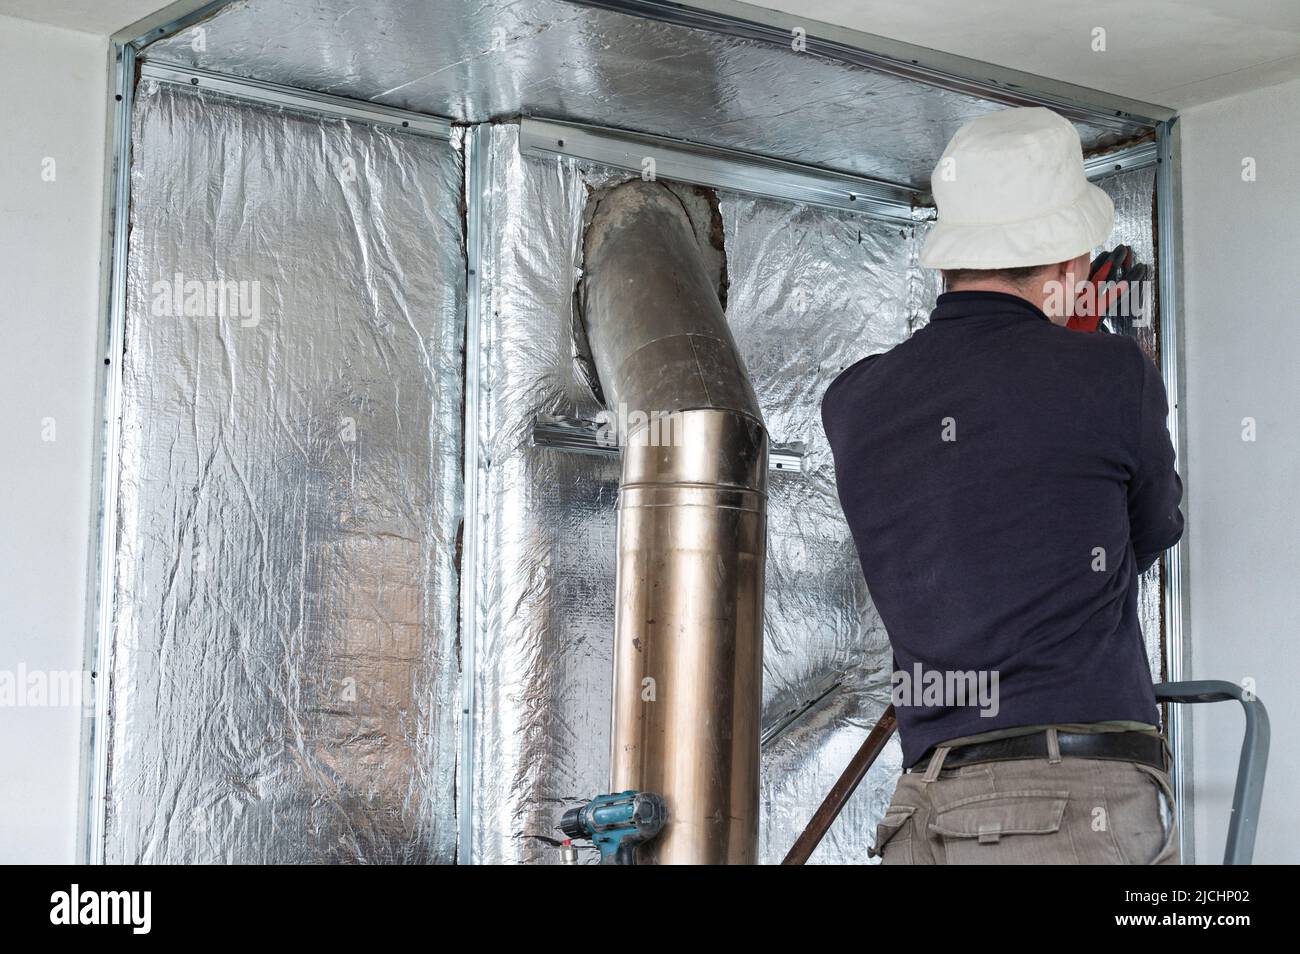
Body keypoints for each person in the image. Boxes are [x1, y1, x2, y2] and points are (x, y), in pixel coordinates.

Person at [821, 107, 1184, 864]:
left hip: (924, 810)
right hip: (1062, 811)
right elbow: (1149, 531)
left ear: (951, 259)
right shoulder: (1114, 377)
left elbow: (976, 517)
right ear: (1068, 267)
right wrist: (1086, 371)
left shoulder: (854, 400)